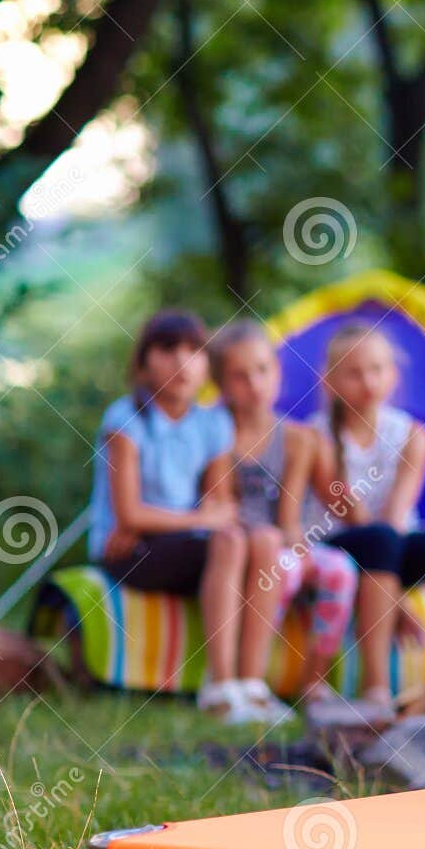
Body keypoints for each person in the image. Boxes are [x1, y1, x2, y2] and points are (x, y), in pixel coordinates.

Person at [88, 310, 280, 725]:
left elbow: (223, 506)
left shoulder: (211, 424)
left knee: (262, 540)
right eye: (167, 349)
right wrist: (194, 520)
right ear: (143, 363)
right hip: (128, 550)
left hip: (173, 543)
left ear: (206, 366)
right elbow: (129, 513)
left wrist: (192, 519)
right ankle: (220, 690)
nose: (182, 362)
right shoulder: (125, 419)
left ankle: (253, 686)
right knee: (228, 540)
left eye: (194, 351)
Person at [306, 323, 425, 719]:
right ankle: (376, 688)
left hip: (390, 539)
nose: (368, 382)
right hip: (337, 542)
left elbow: (397, 515)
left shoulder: (412, 434)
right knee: (379, 540)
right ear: (330, 381)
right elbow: (353, 516)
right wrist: (397, 602)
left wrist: (397, 590)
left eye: (377, 370)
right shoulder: (317, 439)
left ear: (393, 375)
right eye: (353, 373)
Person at [209, 320, 367, 720]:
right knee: (275, 566)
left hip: (287, 536)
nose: (254, 384)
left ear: (277, 373)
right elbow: (222, 502)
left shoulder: (297, 437)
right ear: (222, 384)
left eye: (262, 371)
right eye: (240, 376)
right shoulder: (216, 435)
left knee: (340, 571)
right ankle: (249, 679)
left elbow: (290, 514)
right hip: (246, 540)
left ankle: (312, 682)